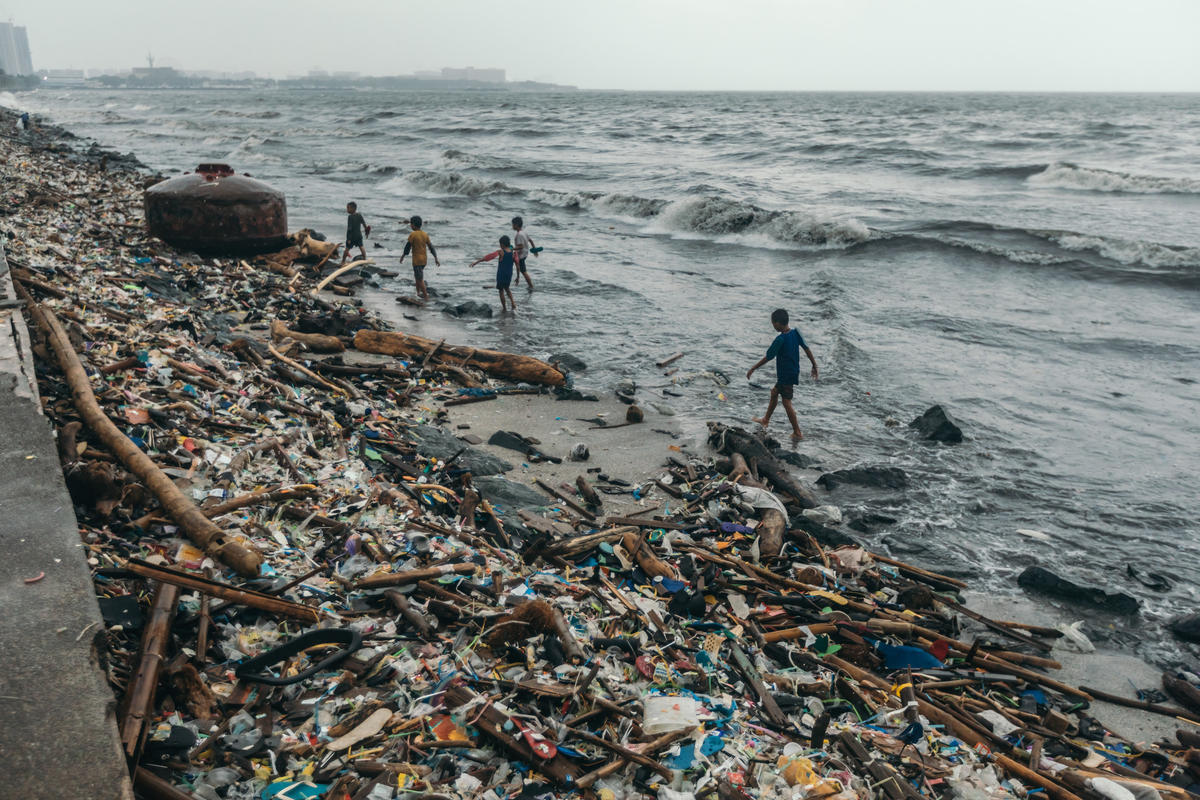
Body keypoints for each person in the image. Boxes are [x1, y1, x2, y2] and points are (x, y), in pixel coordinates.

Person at [745, 308, 818, 439]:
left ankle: (797, 432)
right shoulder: (796, 333)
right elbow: (806, 348)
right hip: (793, 371)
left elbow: (768, 356)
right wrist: (814, 364)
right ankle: (765, 420)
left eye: (773, 323)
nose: (773, 326)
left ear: (778, 323)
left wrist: (753, 368)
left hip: (786, 374)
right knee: (774, 393)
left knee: (786, 402)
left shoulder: (780, 339)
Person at [469, 235, 518, 312]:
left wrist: (477, 262)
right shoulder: (513, 252)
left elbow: (488, 257)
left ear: (502, 244)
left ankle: (504, 308)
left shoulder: (501, 252)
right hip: (509, 274)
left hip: (501, 275)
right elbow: (517, 264)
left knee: (501, 291)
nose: (499, 245)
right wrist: (518, 277)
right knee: (507, 289)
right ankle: (513, 304)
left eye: (500, 244)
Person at [399, 215, 439, 300]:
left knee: (420, 279)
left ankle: (426, 296)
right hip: (424, 260)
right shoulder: (425, 234)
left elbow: (407, 247)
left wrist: (403, 256)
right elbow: (431, 247)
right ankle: (417, 293)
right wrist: (435, 258)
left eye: (411, 224)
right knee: (417, 276)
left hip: (417, 260)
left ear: (413, 225)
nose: (410, 226)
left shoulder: (413, 234)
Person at [511, 216, 537, 291]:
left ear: (516, 225)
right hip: (524, 254)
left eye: (512, 224)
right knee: (521, 270)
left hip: (521, 255)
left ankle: (531, 286)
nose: (512, 226)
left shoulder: (519, 235)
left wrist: (511, 249)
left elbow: (521, 246)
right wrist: (535, 250)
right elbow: (531, 240)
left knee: (523, 271)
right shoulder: (524, 232)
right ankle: (527, 284)